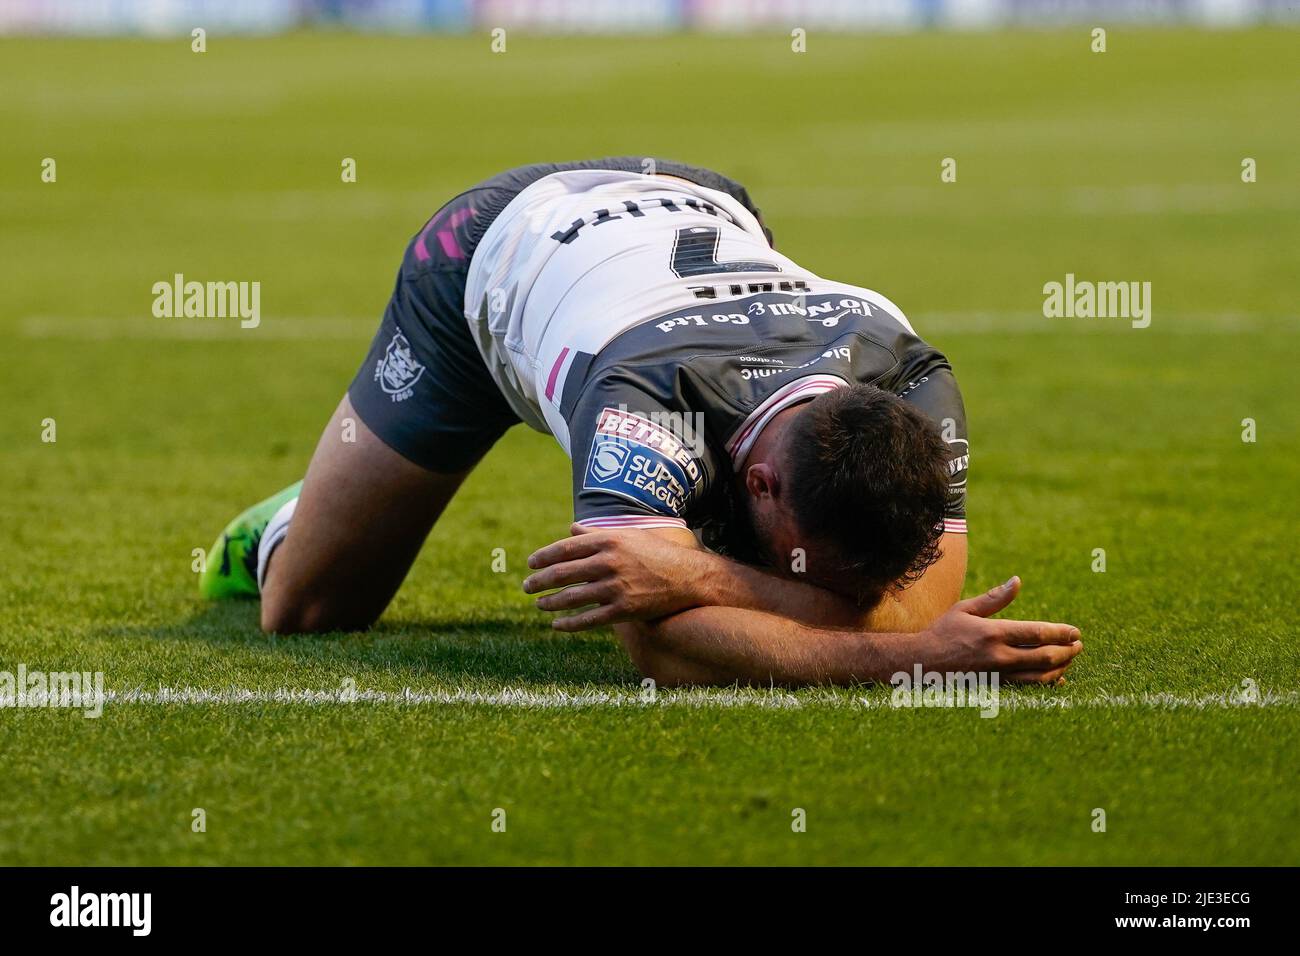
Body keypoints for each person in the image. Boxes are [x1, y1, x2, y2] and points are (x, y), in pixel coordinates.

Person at [199, 157, 1081, 687]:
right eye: (825, 571)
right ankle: (292, 518)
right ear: (764, 483)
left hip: (699, 204)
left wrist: (706, 574)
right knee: (307, 612)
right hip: (487, 258)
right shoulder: (645, 405)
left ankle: (706, 536)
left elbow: (917, 598)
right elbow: (660, 647)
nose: (849, 593)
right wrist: (909, 657)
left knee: (712, 564)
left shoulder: (916, 386)